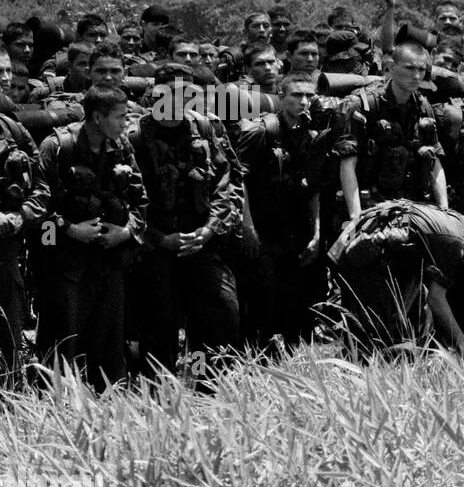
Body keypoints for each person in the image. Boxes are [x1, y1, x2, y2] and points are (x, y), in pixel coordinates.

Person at [29, 83, 147, 389]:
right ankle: (51, 407)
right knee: (61, 342)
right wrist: (70, 230)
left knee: (109, 343)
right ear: (97, 117)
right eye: (120, 116)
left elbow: (140, 199)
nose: (125, 123)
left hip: (109, 260)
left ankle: (109, 405)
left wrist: (127, 231)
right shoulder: (56, 148)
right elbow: (36, 213)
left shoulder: (121, 145)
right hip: (65, 266)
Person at [127, 63, 242, 376]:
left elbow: (226, 183)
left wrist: (208, 230)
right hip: (155, 248)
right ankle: (159, 391)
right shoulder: (134, 137)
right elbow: (124, 201)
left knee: (218, 315)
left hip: (201, 243)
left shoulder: (206, 128)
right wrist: (158, 238)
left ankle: (205, 384)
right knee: (158, 323)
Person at [327, 200, 464, 356]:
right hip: (362, 256)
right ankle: (343, 376)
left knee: (402, 334)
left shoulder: (461, 224)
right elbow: (435, 299)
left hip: (375, 255)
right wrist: (462, 345)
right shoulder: (454, 242)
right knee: (375, 340)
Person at [232, 73, 332, 351]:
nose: (303, 101)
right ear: (280, 95)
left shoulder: (312, 134)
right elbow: (239, 180)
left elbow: (313, 188)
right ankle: (250, 356)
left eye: (309, 96)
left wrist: (316, 232)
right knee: (260, 298)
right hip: (262, 227)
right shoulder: (261, 131)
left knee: (297, 299)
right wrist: (247, 227)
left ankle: (288, 356)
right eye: (296, 95)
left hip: (295, 229)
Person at [337, 41, 447, 221]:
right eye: (410, 68)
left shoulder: (423, 107)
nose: (417, 76)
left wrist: (444, 212)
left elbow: (435, 162)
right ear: (390, 68)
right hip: (371, 208)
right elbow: (348, 165)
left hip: (412, 207)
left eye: (422, 69)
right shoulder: (365, 106)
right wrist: (356, 218)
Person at [0, 57, 42, 378]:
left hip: (6, 253)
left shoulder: (12, 128)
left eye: (7, 72)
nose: (4, 79)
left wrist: (20, 215)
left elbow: (44, 184)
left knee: (8, 338)